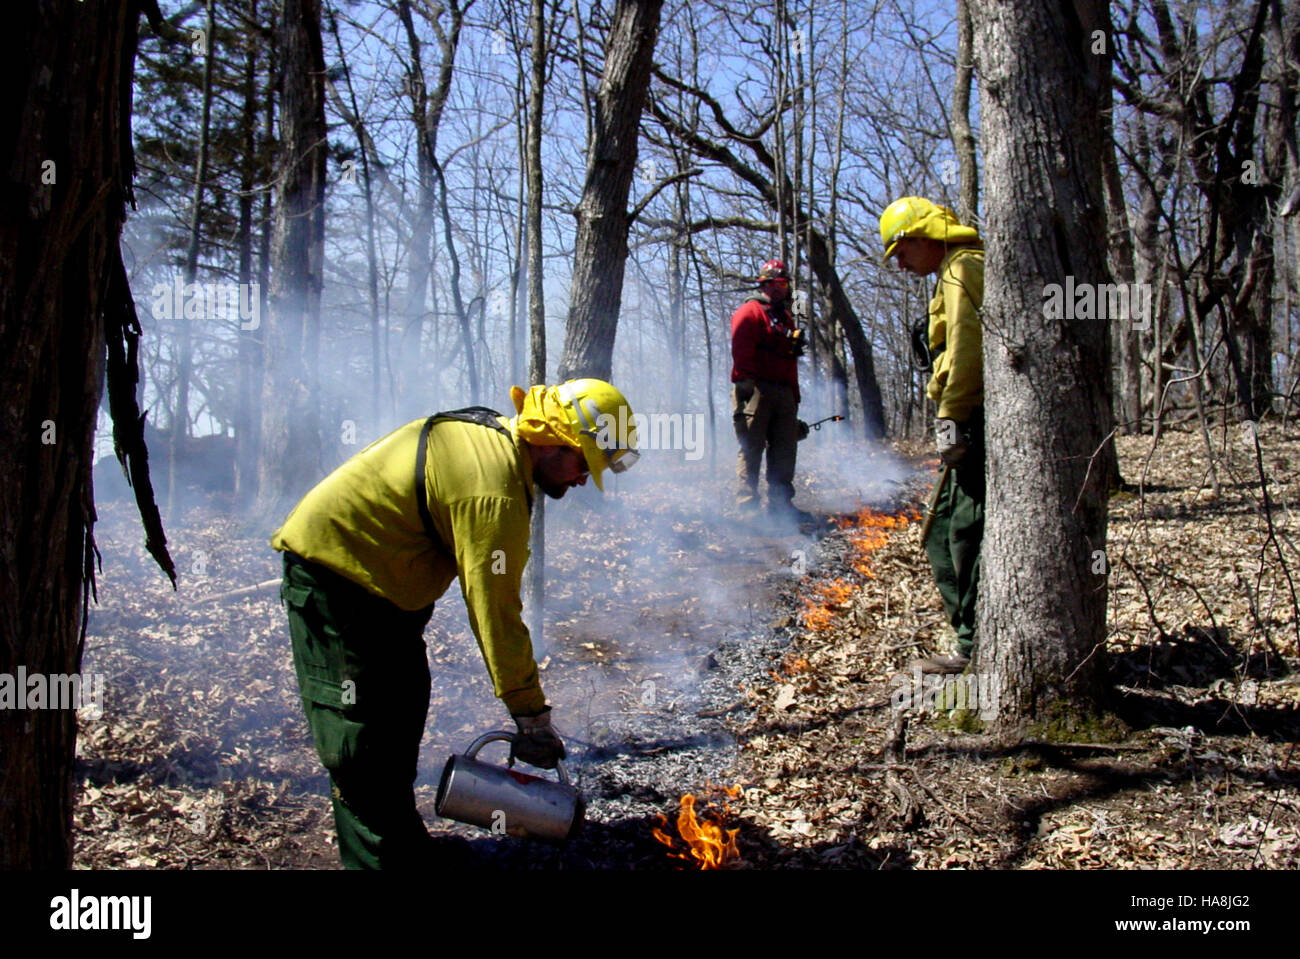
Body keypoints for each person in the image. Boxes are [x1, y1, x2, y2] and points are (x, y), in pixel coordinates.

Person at [271, 379, 639, 868]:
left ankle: (404, 850)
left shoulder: (498, 448)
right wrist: (530, 715)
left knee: (401, 711)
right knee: (360, 747)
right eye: (580, 464)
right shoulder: (494, 493)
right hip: (337, 587)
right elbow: (496, 613)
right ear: (552, 438)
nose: (581, 480)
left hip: (385, 597)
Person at [880, 197, 985, 674]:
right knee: (941, 532)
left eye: (901, 252)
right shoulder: (950, 275)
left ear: (923, 235)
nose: (900, 265)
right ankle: (971, 639)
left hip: (973, 419)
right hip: (963, 416)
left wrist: (952, 417)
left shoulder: (964, 271)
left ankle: (977, 646)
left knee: (961, 531)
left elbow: (966, 348)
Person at [730, 258, 811, 524]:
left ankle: (780, 506)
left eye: (783, 284)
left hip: (784, 392)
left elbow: (790, 361)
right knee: (751, 447)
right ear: (762, 284)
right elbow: (741, 352)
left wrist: (794, 395)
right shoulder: (749, 312)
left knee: (784, 450)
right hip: (756, 390)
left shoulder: (786, 318)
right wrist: (744, 387)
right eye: (774, 284)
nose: (779, 289)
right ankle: (747, 508)